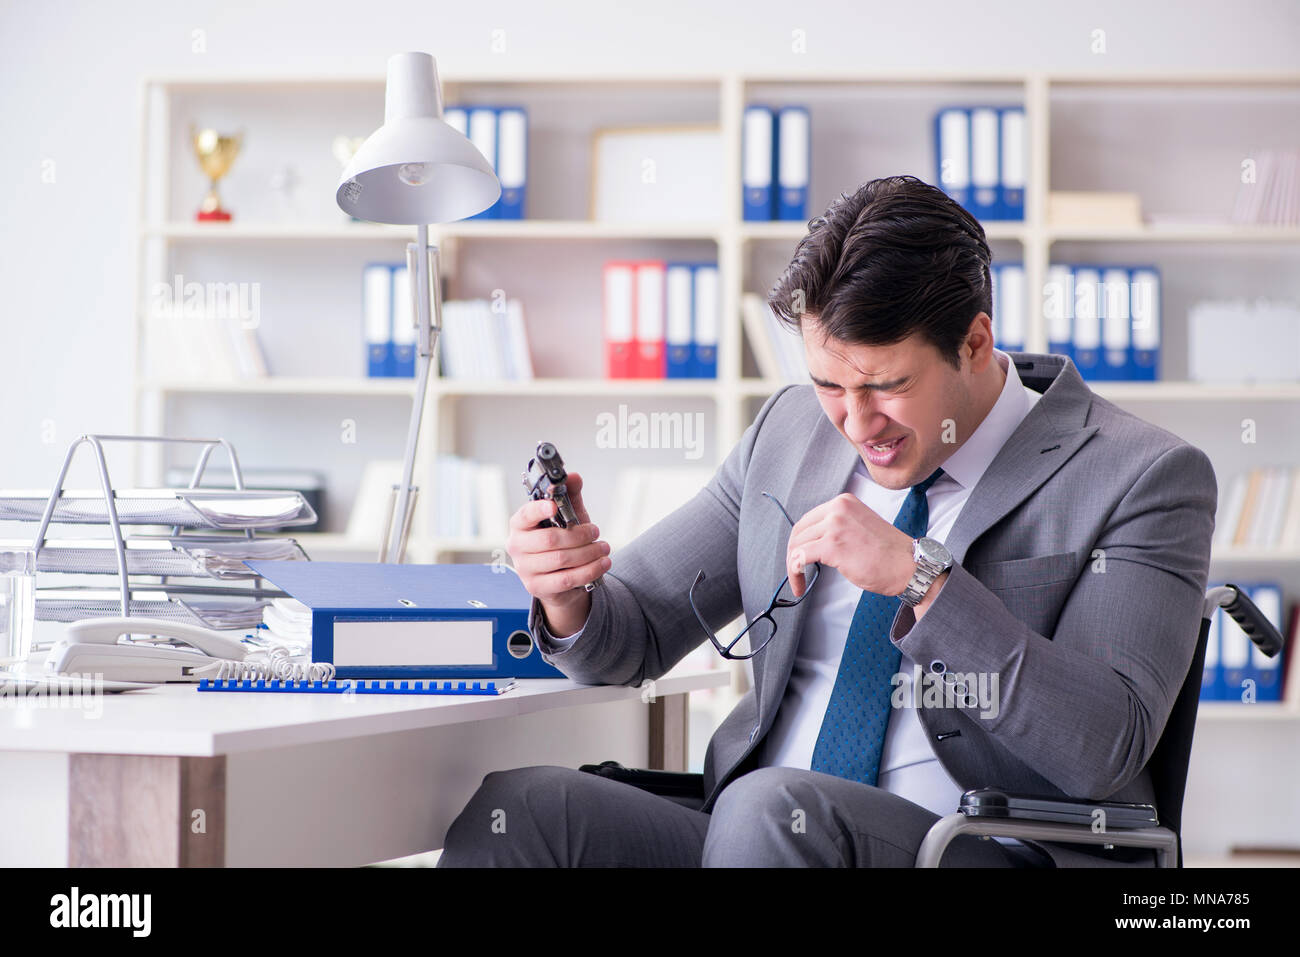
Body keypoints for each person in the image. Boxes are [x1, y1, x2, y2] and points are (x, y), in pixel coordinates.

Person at [437, 174, 1217, 867]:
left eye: (885, 385)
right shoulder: (789, 435)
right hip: (756, 832)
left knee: (770, 810)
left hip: (975, 847)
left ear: (975, 342)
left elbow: (1102, 746)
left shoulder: (1139, 473)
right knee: (520, 812)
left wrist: (923, 578)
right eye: (827, 385)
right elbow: (633, 631)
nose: (855, 420)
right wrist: (567, 592)